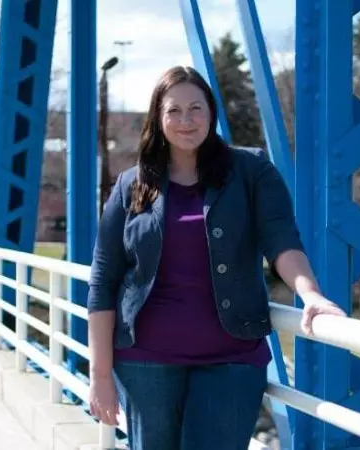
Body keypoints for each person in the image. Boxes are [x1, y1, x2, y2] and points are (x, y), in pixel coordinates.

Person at [87, 65, 346, 450]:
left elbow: (281, 241)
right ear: (158, 117)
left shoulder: (251, 170)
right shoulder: (132, 184)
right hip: (145, 359)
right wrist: (100, 376)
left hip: (231, 356)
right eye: (174, 110)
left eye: (196, 109)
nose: (186, 120)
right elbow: (104, 279)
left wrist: (310, 294)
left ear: (211, 114)